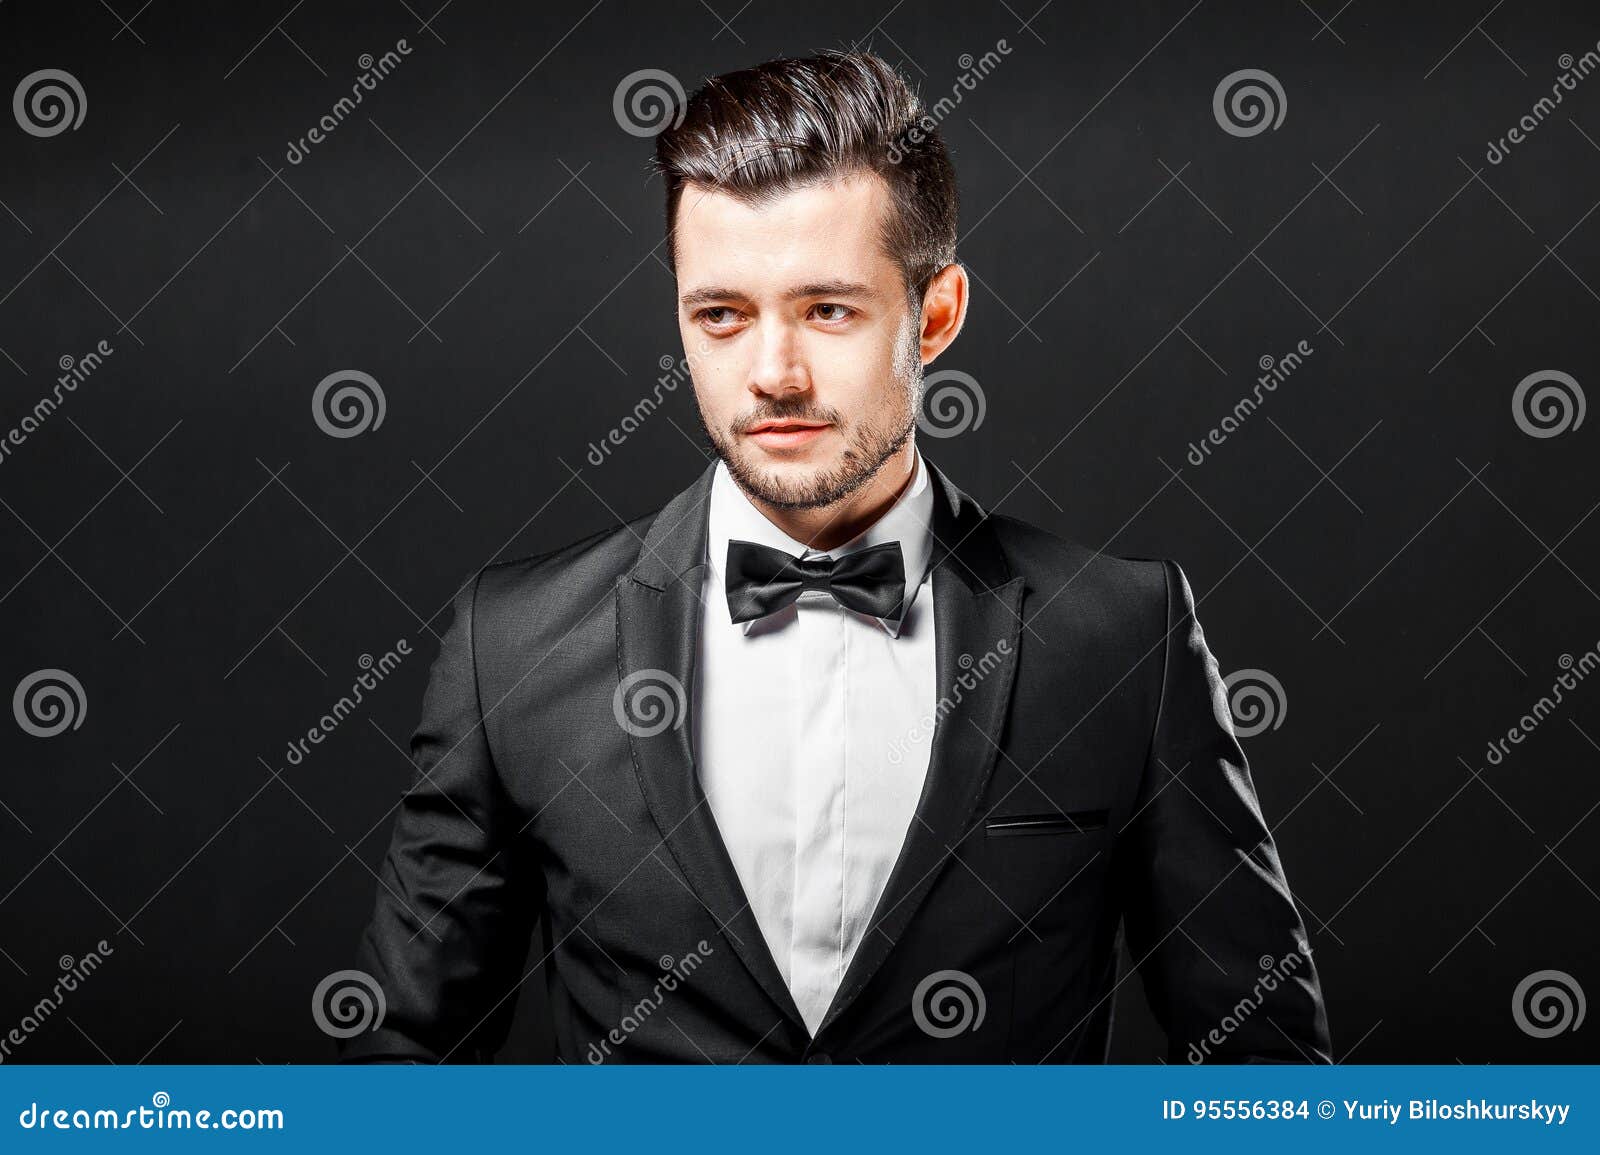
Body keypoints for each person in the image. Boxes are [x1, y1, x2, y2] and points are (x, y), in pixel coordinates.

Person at [340, 49, 1331, 1064]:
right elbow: (394, 1077)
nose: (772, 373)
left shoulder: (1122, 637)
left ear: (934, 316)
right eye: (720, 315)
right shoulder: (510, 647)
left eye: (828, 310)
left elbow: (1266, 1073)